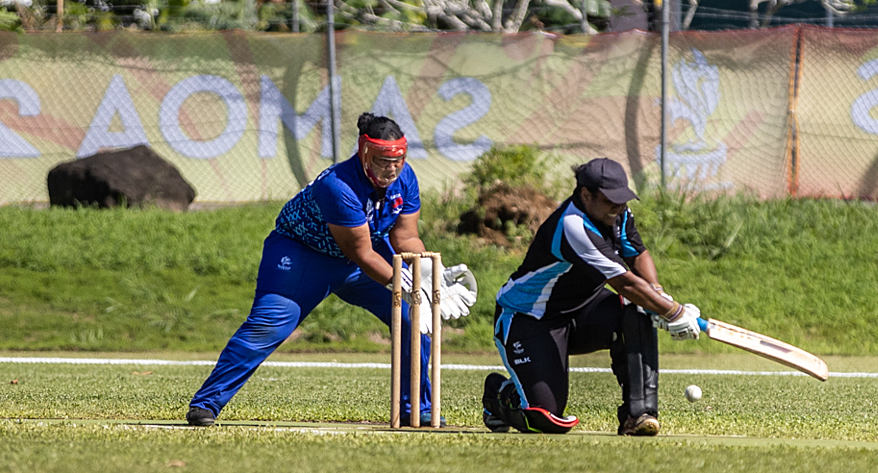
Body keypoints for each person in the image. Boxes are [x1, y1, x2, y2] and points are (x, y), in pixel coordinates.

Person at [186, 112, 477, 427]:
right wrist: (404, 284)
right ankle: (207, 403)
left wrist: (430, 273)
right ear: (364, 153)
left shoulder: (406, 178)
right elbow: (362, 252)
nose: (391, 169)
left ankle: (415, 409)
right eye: (382, 161)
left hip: (364, 254)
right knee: (270, 324)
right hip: (304, 254)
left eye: (398, 160)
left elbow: (405, 236)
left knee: (413, 319)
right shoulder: (338, 186)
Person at [481, 157, 702, 436]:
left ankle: (639, 415)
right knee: (544, 419)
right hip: (529, 319)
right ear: (586, 195)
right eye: (611, 200)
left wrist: (658, 295)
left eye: (622, 199)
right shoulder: (573, 225)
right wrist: (673, 312)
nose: (619, 206)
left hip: (582, 312)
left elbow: (638, 254)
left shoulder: (616, 213)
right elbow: (625, 283)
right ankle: (499, 394)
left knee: (640, 309)